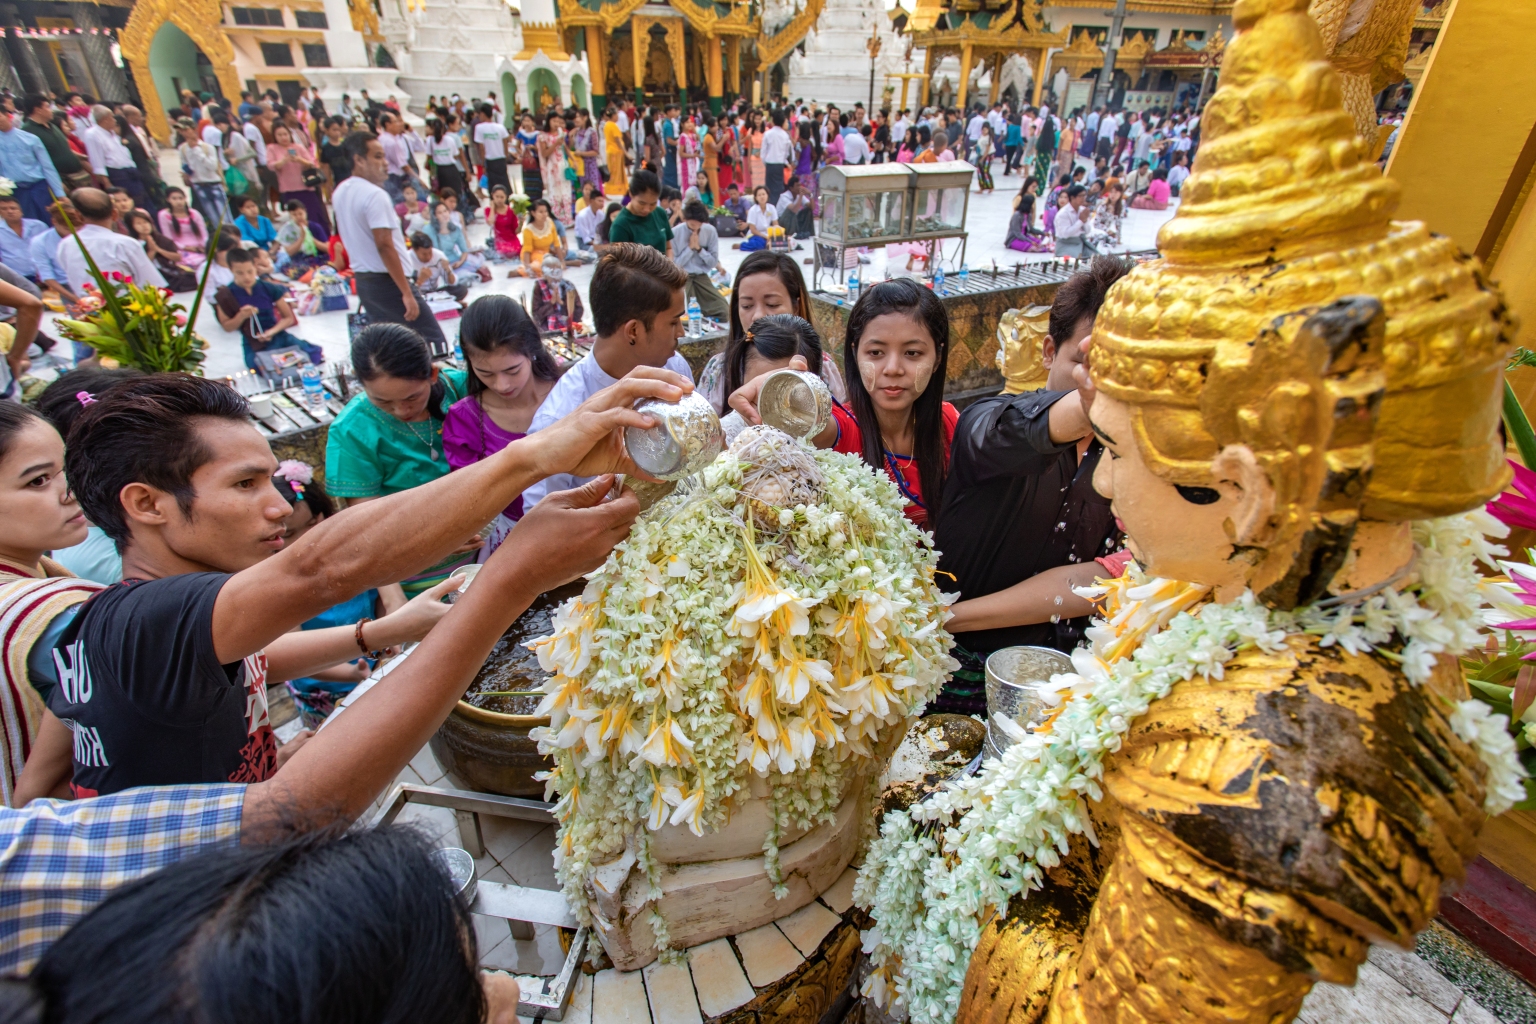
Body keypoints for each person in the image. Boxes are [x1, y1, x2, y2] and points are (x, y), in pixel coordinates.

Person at [0, 366, 687, 975]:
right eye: (245, 485)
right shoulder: (145, 623)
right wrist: (515, 559)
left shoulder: (103, 624)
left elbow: (50, 779)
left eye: (272, 477)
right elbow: (321, 567)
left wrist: (378, 631)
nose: (279, 505)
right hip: (203, 942)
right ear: (147, 504)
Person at [934, 257, 1129, 712]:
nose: (1102, 383)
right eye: (1086, 363)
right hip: (955, 669)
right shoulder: (989, 423)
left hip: (1063, 678)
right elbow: (1014, 429)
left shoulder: (1128, 458)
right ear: (1048, 351)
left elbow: (1112, 573)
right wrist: (1100, 402)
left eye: (1119, 371)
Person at [730, 278, 955, 529]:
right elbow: (813, 421)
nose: (893, 369)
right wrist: (782, 389)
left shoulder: (949, 423)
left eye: (912, 353)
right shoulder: (842, 429)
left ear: (937, 357)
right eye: (876, 353)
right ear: (855, 353)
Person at [520, 243, 693, 509]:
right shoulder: (558, 419)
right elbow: (540, 519)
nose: (681, 332)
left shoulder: (674, 370)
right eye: (673, 322)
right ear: (633, 331)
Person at [323, 324, 479, 592]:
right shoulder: (352, 429)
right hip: (408, 573)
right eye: (383, 401)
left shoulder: (462, 389)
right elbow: (367, 529)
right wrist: (435, 539)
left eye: (412, 397)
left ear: (432, 374)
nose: (400, 410)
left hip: (489, 552)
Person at [0, 403, 99, 807]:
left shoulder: (41, 575)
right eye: (38, 480)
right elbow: (178, 654)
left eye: (66, 468)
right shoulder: (45, 615)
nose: (70, 490)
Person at [443, 295, 561, 557]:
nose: (501, 385)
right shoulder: (465, 419)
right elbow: (468, 496)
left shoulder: (570, 395)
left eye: (512, 370)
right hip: (510, 544)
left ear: (532, 350)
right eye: (485, 373)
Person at [332, 130, 448, 347]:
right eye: (377, 157)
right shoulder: (375, 195)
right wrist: (406, 292)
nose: (385, 163)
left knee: (394, 347)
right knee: (433, 343)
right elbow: (384, 245)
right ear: (358, 160)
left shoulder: (340, 191)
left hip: (365, 281)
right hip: (389, 282)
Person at [214, 247, 324, 368]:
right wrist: (241, 316)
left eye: (250, 271)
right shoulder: (226, 294)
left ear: (255, 267)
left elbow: (288, 318)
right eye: (240, 273)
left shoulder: (268, 287)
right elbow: (227, 327)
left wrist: (271, 332)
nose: (246, 277)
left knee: (313, 354)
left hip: (278, 335)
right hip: (254, 344)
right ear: (231, 270)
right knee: (260, 365)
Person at [54, 188, 165, 295]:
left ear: (78, 215)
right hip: (127, 306)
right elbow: (152, 284)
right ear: (115, 214)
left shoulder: (65, 245)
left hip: (89, 305)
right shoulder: (124, 244)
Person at [0, 107, 64, 224]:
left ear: (7, 115)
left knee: (51, 220)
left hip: (39, 187)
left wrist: (59, 193)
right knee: (28, 224)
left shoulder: (30, 139)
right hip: (16, 191)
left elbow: (47, 167)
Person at [672, 199, 728, 321]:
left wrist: (699, 249)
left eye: (699, 225)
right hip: (682, 277)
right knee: (680, 314)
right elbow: (674, 265)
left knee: (724, 311)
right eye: (692, 226)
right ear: (685, 219)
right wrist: (689, 248)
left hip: (701, 276)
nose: (695, 229)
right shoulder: (675, 233)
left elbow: (713, 262)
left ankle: (705, 313)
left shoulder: (710, 231)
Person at [174, 117, 229, 230]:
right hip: (198, 185)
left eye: (186, 129)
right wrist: (186, 174)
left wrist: (197, 151)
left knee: (225, 217)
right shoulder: (182, 148)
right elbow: (185, 164)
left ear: (194, 129)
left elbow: (212, 166)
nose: (184, 133)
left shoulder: (207, 147)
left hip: (213, 183)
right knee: (213, 218)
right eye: (181, 131)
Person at [123, 210, 197, 292]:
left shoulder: (160, 238)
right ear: (131, 226)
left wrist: (158, 249)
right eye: (139, 223)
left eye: (145, 222)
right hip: (152, 277)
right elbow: (143, 266)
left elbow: (177, 257)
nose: (144, 226)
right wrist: (152, 251)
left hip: (169, 271)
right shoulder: (134, 244)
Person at [608, 169, 671, 256]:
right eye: (642, 203)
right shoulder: (620, 225)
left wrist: (669, 262)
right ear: (631, 194)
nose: (647, 209)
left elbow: (668, 248)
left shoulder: (660, 213)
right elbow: (618, 261)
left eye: (653, 204)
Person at [29, 200, 79, 309]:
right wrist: (74, 298)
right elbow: (47, 276)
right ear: (54, 221)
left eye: (77, 228)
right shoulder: (40, 242)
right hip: (66, 287)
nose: (72, 232)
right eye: (67, 228)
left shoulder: (87, 235)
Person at [426, 195, 486, 281]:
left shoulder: (455, 229)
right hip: (437, 264)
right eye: (440, 213)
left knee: (478, 258)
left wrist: (460, 262)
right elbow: (428, 253)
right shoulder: (428, 230)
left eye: (445, 211)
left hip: (455, 261)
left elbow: (464, 250)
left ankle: (463, 276)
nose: (444, 215)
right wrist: (445, 266)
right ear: (434, 216)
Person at [406, 231, 468, 304]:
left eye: (430, 252)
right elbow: (407, 291)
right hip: (418, 295)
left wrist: (448, 270)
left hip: (435, 293)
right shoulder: (407, 259)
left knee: (461, 289)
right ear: (414, 250)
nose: (428, 257)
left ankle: (446, 303)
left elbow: (452, 283)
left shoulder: (439, 255)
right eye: (424, 254)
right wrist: (420, 280)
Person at [155, 187, 209, 268]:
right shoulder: (163, 215)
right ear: (168, 200)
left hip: (199, 248)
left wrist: (204, 247)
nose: (178, 202)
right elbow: (168, 239)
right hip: (180, 250)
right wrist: (185, 247)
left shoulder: (195, 213)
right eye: (174, 199)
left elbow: (204, 234)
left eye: (181, 198)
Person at [0, 193, 47, 284]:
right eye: (4, 209)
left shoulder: (38, 226)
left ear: (21, 211)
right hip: (15, 278)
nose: (10, 211)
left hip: (44, 275)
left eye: (13, 208)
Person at [529, 255, 583, 333]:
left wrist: (562, 303)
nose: (555, 277)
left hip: (567, 323)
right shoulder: (539, 287)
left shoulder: (568, 286)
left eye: (557, 272)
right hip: (546, 325)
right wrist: (551, 303)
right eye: (551, 273)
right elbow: (536, 315)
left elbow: (579, 311)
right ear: (544, 275)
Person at [538, 111, 574, 227]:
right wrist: (555, 144)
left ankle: (568, 219)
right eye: (554, 121)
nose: (556, 124)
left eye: (558, 121)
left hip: (562, 165)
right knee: (555, 193)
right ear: (548, 121)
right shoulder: (543, 136)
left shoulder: (561, 132)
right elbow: (544, 153)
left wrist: (573, 160)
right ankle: (557, 220)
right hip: (552, 167)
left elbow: (565, 148)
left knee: (566, 192)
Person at [515, 198, 564, 278]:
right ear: (533, 213)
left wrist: (562, 261)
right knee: (544, 266)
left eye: (546, 211)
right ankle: (520, 271)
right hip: (533, 254)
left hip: (547, 253)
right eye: (541, 212)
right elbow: (527, 250)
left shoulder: (550, 222)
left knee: (567, 256)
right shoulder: (528, 229)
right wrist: (528, 268)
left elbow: (556, 243)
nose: (544, 214)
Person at [474, 104, 511, 195]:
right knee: (504, 181)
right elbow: (505, 143)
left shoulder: (479, 128)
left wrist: (483, 163)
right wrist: (506, 156)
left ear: (483, 114)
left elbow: (481, 148)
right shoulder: (500, 127)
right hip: (501, 158)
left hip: (490, 160)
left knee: (493, 184)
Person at [759, 110, 792, 205]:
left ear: (773, 120)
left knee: (769, 188)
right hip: (780, 164)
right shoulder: (785, 135)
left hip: (770, 164)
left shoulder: (768, 133)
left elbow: (763, 152)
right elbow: (786, 153)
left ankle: (770, 207)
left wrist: (766, 163)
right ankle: (778, 208)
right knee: (779, 188)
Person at [1053, 183, 1093, 257]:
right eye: (1080, 196)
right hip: (1066, 244)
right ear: (1072, 197)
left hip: (1080, 242)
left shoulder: (1082, 210)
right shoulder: (1063, 213)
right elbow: (1066, 234)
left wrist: (1085, 221)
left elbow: (1087, 231)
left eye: (1084, 195)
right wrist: (1080, 221)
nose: (1083, 198)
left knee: (1099, 259)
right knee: (1072, 260)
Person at [485, 184, 521, 261]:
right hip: (499, 240)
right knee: (503, 253)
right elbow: (490, 222)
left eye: (502, 197)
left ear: (506, 197)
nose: (499, 200)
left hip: (511, 239)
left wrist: (521, 222)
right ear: (492, 196)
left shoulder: (511, 211)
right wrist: (492, 208)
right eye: (497, 197)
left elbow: (516, 231)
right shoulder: (488, 210)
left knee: (515, 252)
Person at [602, 105, 629, 198]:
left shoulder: (607, 124)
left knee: (614, 171)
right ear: (613, 115)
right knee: (615, 172)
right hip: (615, 151)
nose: (617, 117)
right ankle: (614, 189)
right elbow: (617, 140)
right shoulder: (613, 125)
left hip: (611, 151)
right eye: (616, 115)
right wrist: (625, 152)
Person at [741, 185, 777, 252]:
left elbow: (776, 224)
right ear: (756, 198)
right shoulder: (753, 210)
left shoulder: (772, 208)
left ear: (767, 195)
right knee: (758, 245)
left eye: (763, 194)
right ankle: (743, 245)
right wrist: (766, 237)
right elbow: (753, 230)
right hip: (755, 234)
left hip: (768, 234)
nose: (762, 197)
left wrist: (774, 235)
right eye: (759, 195)